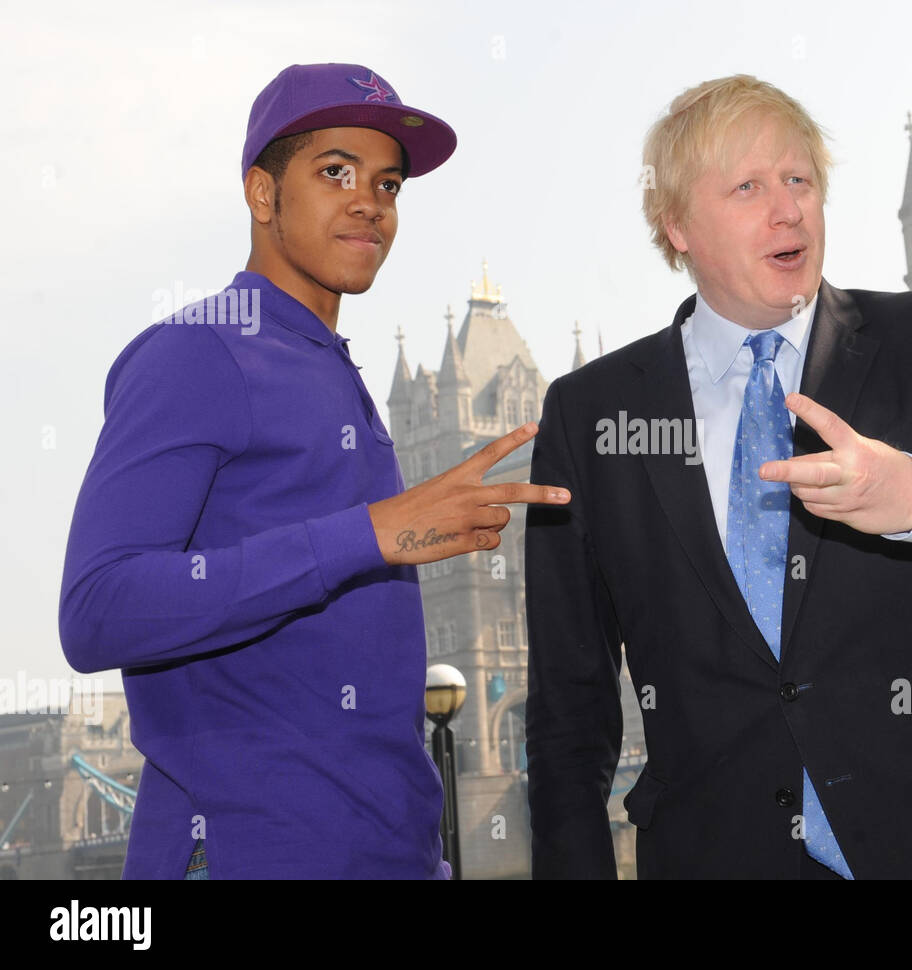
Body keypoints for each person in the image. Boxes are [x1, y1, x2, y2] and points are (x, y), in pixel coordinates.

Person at [524, 74, 912, 879]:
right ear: (675, 223)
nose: (788, 209)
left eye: (800, 180)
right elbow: (569, 704)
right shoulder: (588, 412)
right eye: (748, 186)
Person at [58, 63, 570, 879]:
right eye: (335, 172)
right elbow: (96, 612)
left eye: (389, 183)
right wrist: (370, 533)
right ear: (263, 194)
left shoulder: (335, 371)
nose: (370, 200)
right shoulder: (197, 352)